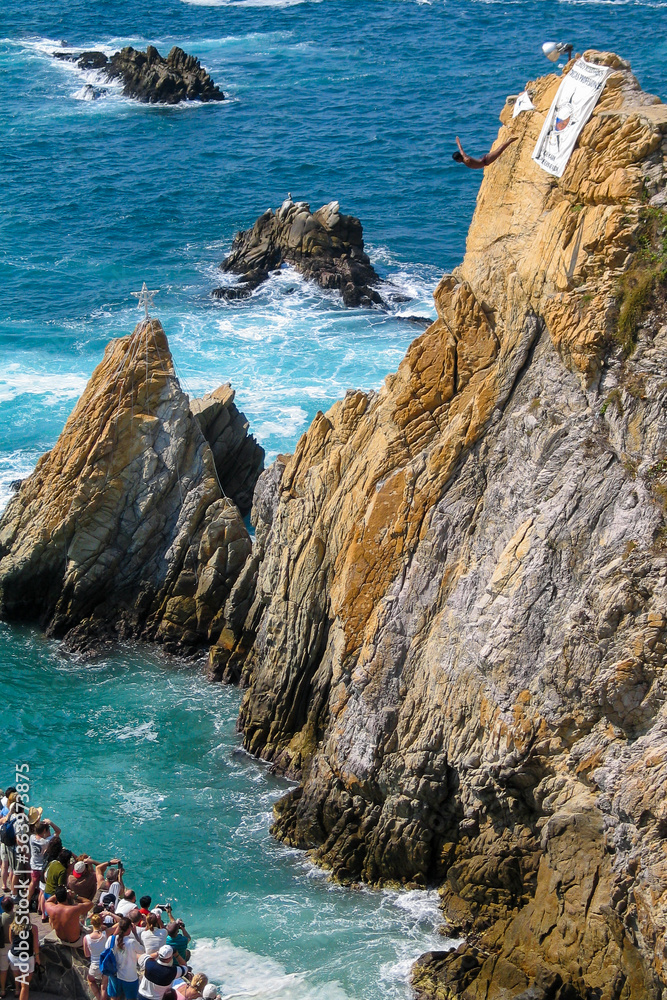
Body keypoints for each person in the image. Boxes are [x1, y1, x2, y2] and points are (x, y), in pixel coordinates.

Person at [107, 916, 143, 1000]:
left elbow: (107, 950)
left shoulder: (111, 939)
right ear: (130, 928)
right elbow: (142, 950)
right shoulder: (132, 942)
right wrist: (135, 934)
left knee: (115, 997)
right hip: (130, 977)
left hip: (115, 975)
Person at [29, 819, 61, 902]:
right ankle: (40, 907)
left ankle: (27, 900)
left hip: (34, 865)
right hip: (43, 867)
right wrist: (50, 822)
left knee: (33, 883)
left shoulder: (31, 838)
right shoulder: (47, 841)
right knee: (42, 888)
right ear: (44, 831)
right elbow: (58, 831)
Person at [7, 919, 40, 1000]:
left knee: (16, 974)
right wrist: (37, 958)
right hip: (26, 958)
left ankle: (17, 990)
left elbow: (11, 941)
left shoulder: (12, 926)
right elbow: (36, 946)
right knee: (25, 985)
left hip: (13, 956)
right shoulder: (33, 928)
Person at [452, 134, 518, 169]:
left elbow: (467, 159)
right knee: (498, 152)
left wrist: (468, 160)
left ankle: (510, 140)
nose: (457, 162)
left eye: (456, 160)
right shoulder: (463, 155)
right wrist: (458, 141)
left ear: (459, 159)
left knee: (499, 151)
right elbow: (460, 148)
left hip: (485, 160)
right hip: (482, 159)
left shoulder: (466, 160)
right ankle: (509, 140)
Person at [84, 912, 109, 1000]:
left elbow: (87, 954)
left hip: (94, 965)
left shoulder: (87, 938)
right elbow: (119, 924)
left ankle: (99, 998)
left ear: (91, 923)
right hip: (105, 964)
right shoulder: (105, 934)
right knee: (104, 987)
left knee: (90, 980)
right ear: (101, 923)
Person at [0, 897, 14, 998]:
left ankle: (3, 990)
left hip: (3, 946)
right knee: (16, 969)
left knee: (3, 970)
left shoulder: (1, 917)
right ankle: (18, 989)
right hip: (15, 945)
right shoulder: (17, 916)